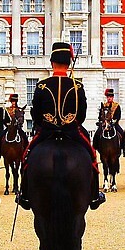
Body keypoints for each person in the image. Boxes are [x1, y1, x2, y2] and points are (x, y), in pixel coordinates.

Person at [16, 41, 105, 210]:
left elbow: (35, 114)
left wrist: (45, 124)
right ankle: (94, 196)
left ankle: (25, 195)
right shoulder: (77, 86)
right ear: (69, 63)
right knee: (92, 157)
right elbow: (82, 115)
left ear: (52, 62)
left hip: (46, 132)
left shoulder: (41, 85)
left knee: (26, 156)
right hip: (72, 132)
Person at [97, 88, 125, 157]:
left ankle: (124, 150)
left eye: (110, 97)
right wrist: (100, 121)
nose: (109, 98)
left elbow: (118, 116)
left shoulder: (116, 106)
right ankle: (95, 147)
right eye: (108, 97)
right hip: (104, 124)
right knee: (97, 133)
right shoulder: (103, 105)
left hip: (114, 124)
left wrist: (114, 121)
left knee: (122, 133)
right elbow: (100, 116)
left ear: (113, 97)